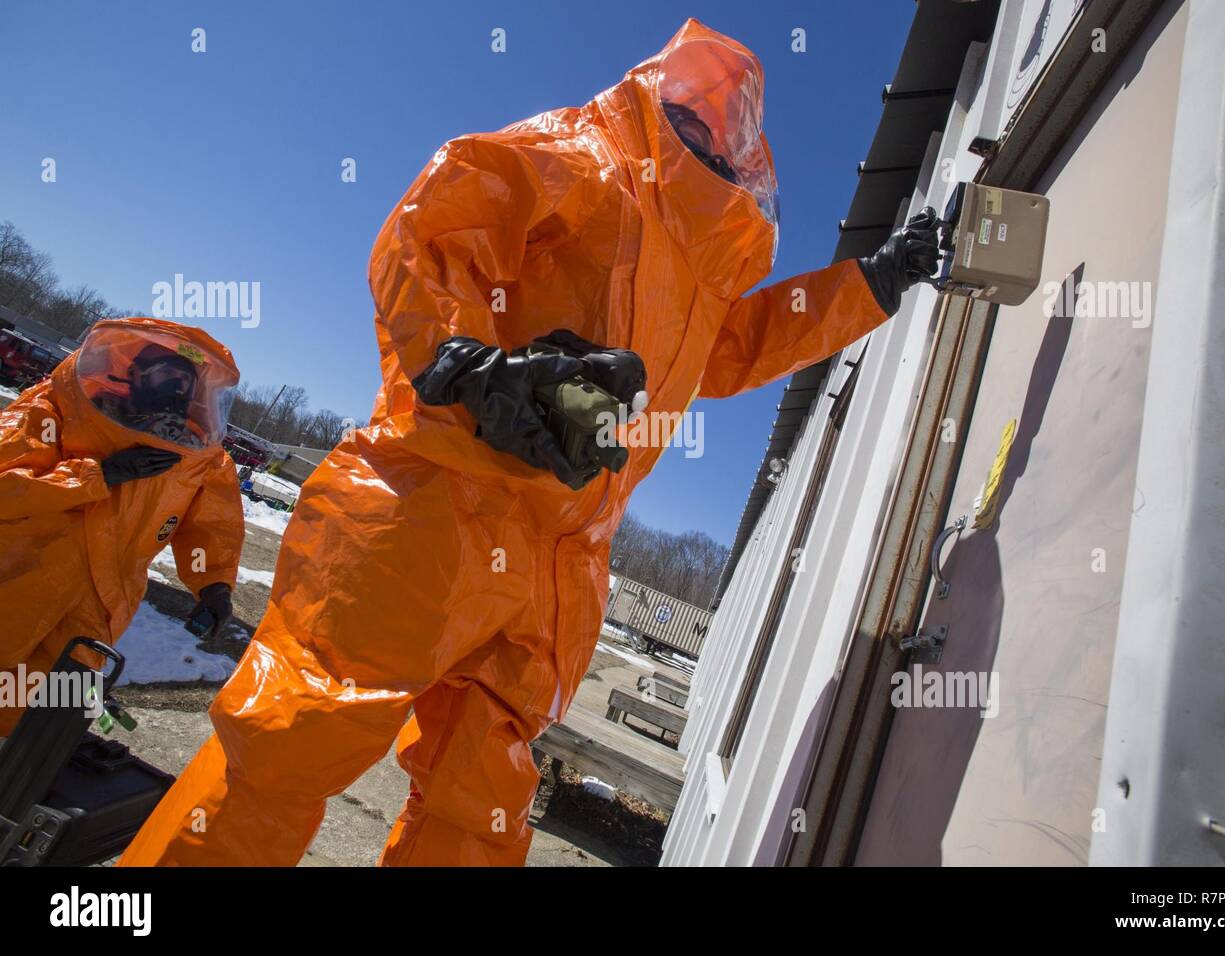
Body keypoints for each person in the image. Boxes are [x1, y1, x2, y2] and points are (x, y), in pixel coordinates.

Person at [121, 18, 939, 866]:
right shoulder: (587, 161)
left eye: (729, 131)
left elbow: (738, 348)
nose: (715, 139)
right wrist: (466, 362)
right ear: (665, 101)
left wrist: (874, 282)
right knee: (287, 744)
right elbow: (432, 228)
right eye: (699, 115)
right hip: (433, 504)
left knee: (479, 814)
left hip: (562, 568)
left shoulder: (699, 276)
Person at [0, 317, 244, 734]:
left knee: (44, 720)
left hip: (99, 610)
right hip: (19, 584)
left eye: (186, 381)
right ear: (132, 372)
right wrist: (96, 475)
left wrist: (215, 586)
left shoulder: (199, 455)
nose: (177, 390)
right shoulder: (55, 408)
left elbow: (211, 526)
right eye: (166, 374)